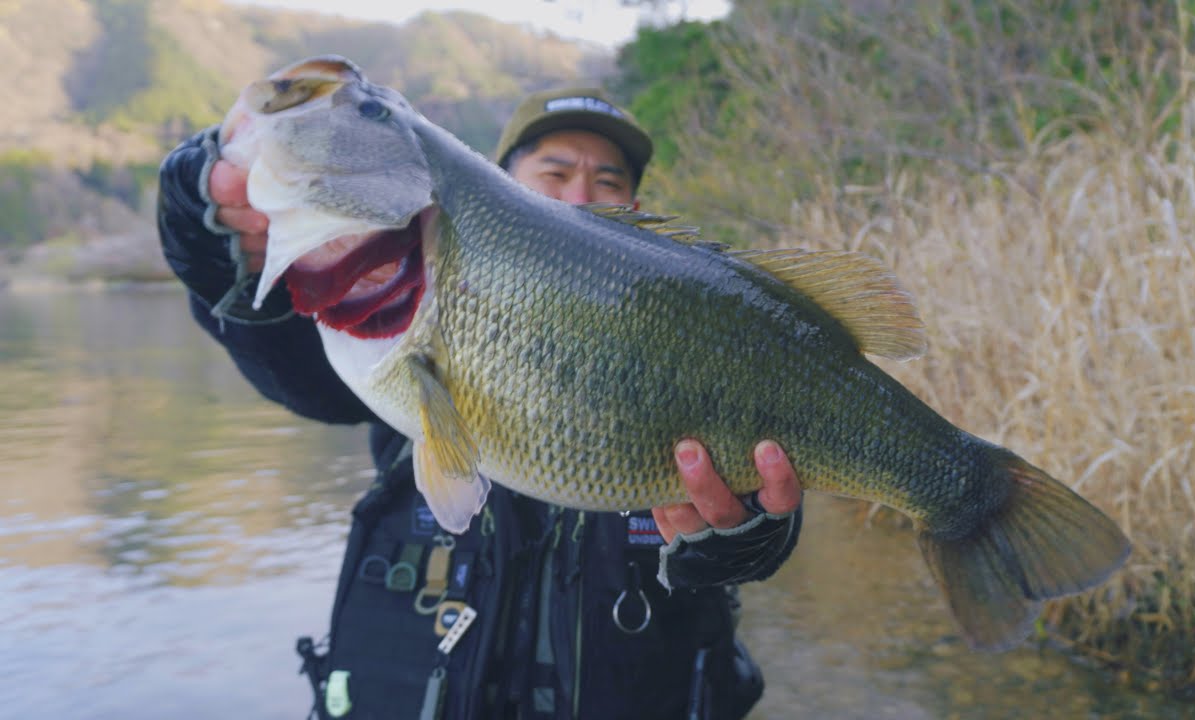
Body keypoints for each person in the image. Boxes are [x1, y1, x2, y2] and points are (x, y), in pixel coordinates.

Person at [156, 68, 804, 719]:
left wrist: (745, 535)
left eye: (608, 181)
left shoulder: (692, 331)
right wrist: (204, 232)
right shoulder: (399, 312)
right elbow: (284, 355)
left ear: (631, 211)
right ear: (499, 182)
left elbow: (768, 499)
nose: (581, 192)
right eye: (554, 173)